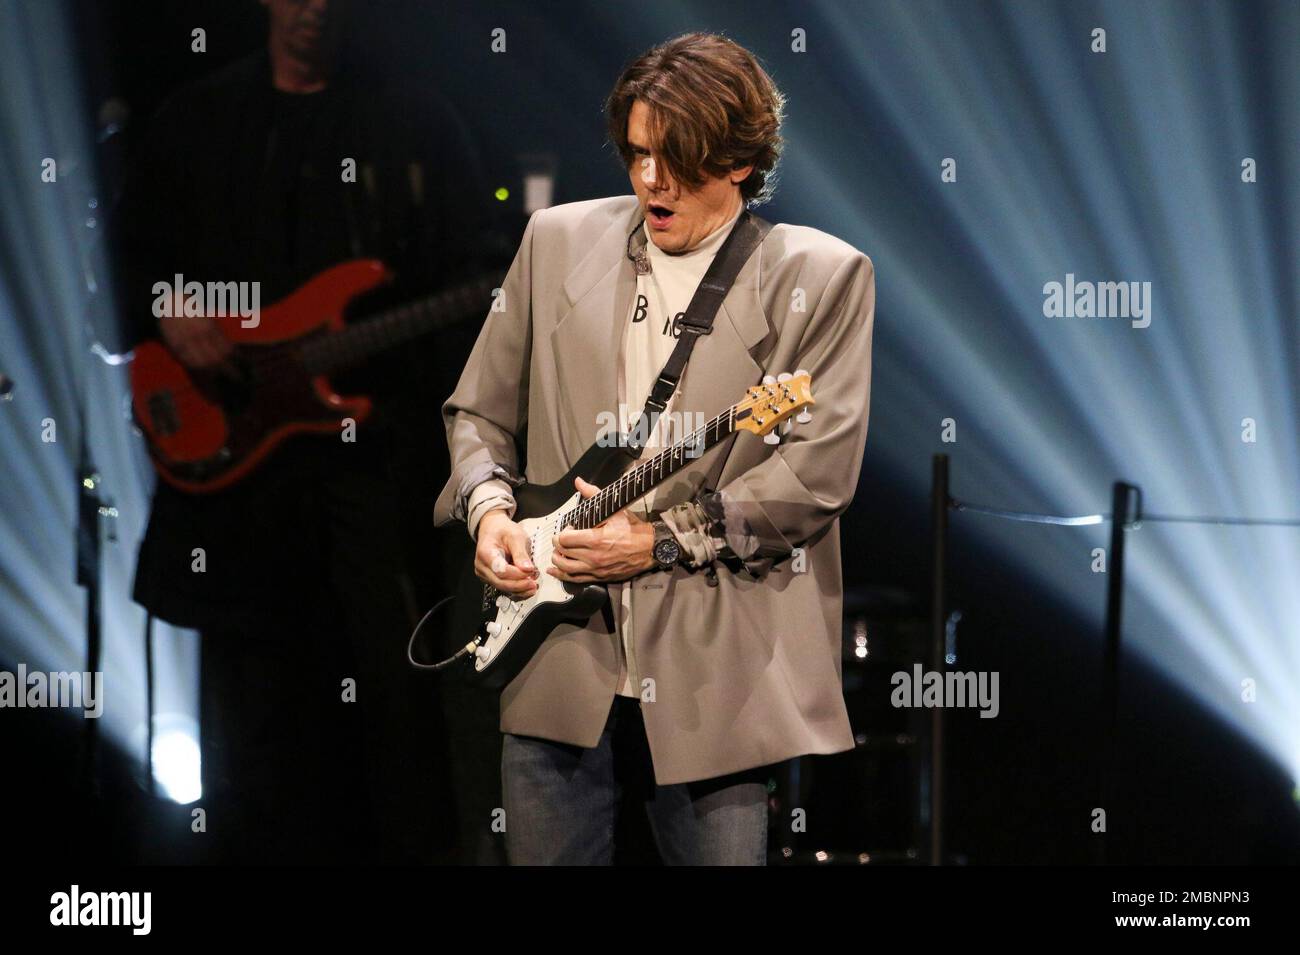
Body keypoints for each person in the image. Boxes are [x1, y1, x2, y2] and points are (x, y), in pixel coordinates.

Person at [434, 32, 876, 865]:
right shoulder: (557, 241)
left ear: (742, 161)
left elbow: (815, 477)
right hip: (555, 656)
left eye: (678, 160)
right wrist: (490, 510)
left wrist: (663, 540)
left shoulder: (820, 274)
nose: (651, 181)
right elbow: (476, 413)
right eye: (637, 154)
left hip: (718, 677)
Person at [118, 0, 494, 863]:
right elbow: (131, 252)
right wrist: (171, 307)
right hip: (234, 472)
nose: (314, 6)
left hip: (371, 466)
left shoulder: (413, 117)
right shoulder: (198, 119)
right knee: (248, 710)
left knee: (394, 699)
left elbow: (483, 264)